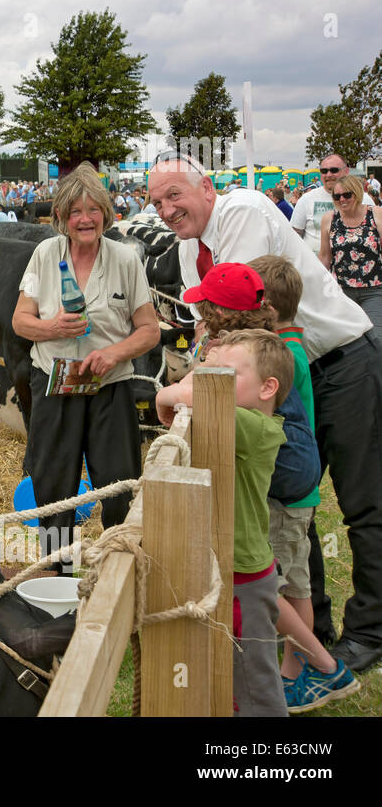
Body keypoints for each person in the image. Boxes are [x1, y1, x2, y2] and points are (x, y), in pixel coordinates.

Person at [148, 153, 382, 672]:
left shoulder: (245, 208)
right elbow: (214, 330)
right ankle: (313, 630)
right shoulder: (191, 250)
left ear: (207, 188)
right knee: (292, 500)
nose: (166, 209)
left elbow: (236, 327)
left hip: (334, 361)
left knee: (362, 500)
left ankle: (370, 631)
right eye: (157, 201)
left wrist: (180, 388)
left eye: (174, 195)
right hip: (282, 377)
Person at [11, 163, 159, 565]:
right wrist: (53, 327)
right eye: (75, 211)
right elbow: (20, 322)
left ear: (106, 214)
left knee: (118, 487)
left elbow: (149, 330)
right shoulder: (45, 255)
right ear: (60, 216)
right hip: (54, 386)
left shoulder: (125, 259)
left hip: (110, 388)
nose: (85, 219)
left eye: (93, 210)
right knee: (53, 490)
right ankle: (58, 576)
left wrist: (114, 353)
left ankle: (117, 573)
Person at [239, 255, 360, 711]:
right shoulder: (293, 346)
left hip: (285, 495)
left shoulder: (281, 357)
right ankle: (294, 672)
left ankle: (327, 667)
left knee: (269, 587)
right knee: (296, 587)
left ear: (263, 306)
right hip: (301, 495)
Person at [156, 329, 292, 715]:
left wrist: (164, 396)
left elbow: (185, 391)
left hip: (244, 577)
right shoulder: (232, 419)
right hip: (227, 567)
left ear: (267, 388)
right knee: (227, 674)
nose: (211, 379)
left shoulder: (258, 428)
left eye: (225, 375)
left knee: (254, 683)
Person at [317, 173, 382, 328]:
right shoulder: (329, 219)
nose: (342, 200)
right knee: (348, 338)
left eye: (346, 195)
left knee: (377, 338)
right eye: (337, 196)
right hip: (341, 292)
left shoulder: (376, 214)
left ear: (357, 193)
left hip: (374, 290)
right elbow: (325, 257)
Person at [290, 154, 374, 256]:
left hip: (355, 266)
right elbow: (294, 235)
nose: (328, 175)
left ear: (346, 171)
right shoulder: (306, 199)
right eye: (324, 171)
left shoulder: (364, 199)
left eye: (334, 170)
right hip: (316, 267)